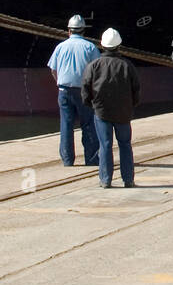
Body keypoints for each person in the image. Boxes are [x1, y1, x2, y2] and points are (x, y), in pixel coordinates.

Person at [81, 28, 141, 189]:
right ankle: (128, 180)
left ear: (102, 45)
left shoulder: (94, 66)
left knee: (105, 145)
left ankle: (105, 180)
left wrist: (92, 105)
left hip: (102, 112)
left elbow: (85, 88)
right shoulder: (127, 66)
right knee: (125, 145)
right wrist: (130, 106)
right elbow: (136, 89)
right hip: (123, 113)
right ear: (119, 46)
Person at [47, 14, 101, 167]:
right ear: (83, 30)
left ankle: (67, 160)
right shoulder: (90, 47)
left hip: (64, 91)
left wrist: (59, 83)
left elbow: (53, 69)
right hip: (84, 91)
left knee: (66, 125)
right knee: (89, 125)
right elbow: (97, 71)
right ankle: (91, 159)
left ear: (69, 31)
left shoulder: (60, 47)